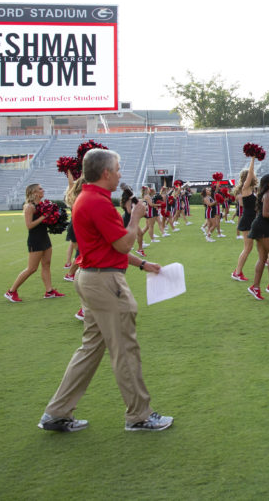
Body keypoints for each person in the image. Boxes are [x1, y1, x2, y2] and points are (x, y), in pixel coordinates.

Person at [38, 148, 173, 433]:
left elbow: (108, 247)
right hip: (105, 282)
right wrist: (135, 217)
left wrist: (142, 264)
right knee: (125, 349)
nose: (121, 173)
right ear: (106, 173)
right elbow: (122, 244)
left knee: (90, 349)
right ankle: (139, 415)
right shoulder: (98, 203)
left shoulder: (88, 199)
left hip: (92, 277)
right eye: (118, 168)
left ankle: (57, 412)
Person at [5, 183, 64, 303]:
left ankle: (49, 291)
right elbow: (29, 225)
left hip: (44, 237)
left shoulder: (41, 205)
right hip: (35, 239)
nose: (43, 190)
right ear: (34, 193)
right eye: (40, 189)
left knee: (46, 264)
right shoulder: (29, 207)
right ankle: (11, 292)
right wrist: (44, 216)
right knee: (32, 268)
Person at [231, 159, 258, 282]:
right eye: (250, 175)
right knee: (247, 248)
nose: (253, 176)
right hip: (248, 220)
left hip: (252, 220)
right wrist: (253, 158)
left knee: (250, 248)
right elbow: (251, 172)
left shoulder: (250, 189)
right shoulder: (245, 188)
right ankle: (237, 272)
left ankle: (238, 271)